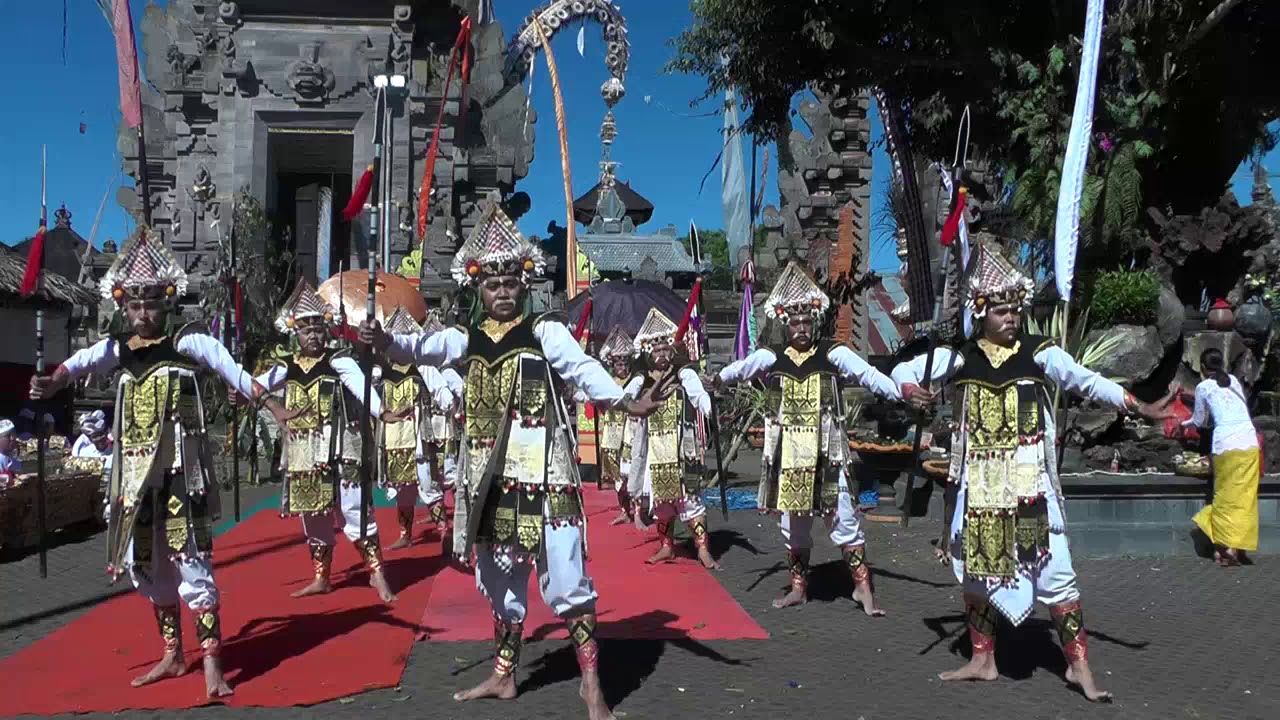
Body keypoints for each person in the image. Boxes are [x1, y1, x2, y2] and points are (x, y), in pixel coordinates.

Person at [359, 203, 669, 720]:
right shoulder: (466, 340)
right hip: (490, 477)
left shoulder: (545, 334)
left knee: (568, 580)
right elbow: (421, 348)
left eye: (509, 282)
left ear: (524, 286)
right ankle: (504, 674)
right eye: (492, 284)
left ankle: (591, 685)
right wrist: (385, 340)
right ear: (478, 289)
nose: (502, 291)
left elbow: (584, 367)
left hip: (546, 474)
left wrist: (623, 400)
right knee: (500, 581)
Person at [891, 244, 1173, 701]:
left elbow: (1084, 378)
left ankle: (1078, 666)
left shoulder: (1040, 353)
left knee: (1057, 574)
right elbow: (906, 369)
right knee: (975, 578)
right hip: (979, 489)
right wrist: (908, 386)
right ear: (981, 312)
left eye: (1015, 310)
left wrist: (1134, 403)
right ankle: (983, 659)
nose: (1010, 319)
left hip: (1030, 487)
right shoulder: (960, 358)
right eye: (1001, 311)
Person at [29, 229, 290, 697]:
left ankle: (212, 662)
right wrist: (54, 380)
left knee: (192, 562)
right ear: (124, 307)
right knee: (146, 567)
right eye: (135, 305)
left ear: (166, 303)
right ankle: (172, 653)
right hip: (134, 480)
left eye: (151, 304)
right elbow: (82, 361)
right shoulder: (118, 349)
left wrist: (269, 404)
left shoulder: (189, 343)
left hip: (178, 477)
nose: (143, 313)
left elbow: (231, 368)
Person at [712, 261, 898, 614]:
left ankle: (862, 588)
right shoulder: (773, 358)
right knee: (792, 527)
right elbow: (741, 369)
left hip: (828, 457)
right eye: (794, 321)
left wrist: (901, 391)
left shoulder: (833, 354)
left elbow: (870, 375)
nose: (800, 327)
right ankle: (799, 587)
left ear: (815, 321)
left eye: (806, 321)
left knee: (844, 520)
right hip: (789, 458)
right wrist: (717, 380)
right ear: (785, 323)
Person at [253, 279, 403, 603]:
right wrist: (265, 403)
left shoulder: (339, 361)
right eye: (306, 330)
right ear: (295, 333)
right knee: (314, 514)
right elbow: (253, 386)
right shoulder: (287, 367)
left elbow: (361, 387)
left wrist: (382, 411)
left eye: (319, 329)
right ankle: (321, 576)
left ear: (327, 331)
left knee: (355, 508)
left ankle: (377, 573)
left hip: (342, 447)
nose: (314, 336)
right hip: (305, 451)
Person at [624, 308, 718, 569]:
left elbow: (697, 393)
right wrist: (623, 400)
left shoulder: (682, 373)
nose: (662, 355)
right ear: (648, 353)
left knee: (690, 500)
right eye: (656, 351)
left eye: (665, 349)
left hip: (680, 448)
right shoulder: (643, 379)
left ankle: (702, 549)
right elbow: (629, 392)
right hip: (655, 450)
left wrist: (709, 408)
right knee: (661, 503)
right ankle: (667, 547)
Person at [1181, 347, 1260, 566]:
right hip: (1249, 443)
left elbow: (1198, 421)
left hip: (1225, 446)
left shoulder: (1203, 387)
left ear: (1203, 368)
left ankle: (1225, 549)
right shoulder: (1233, 381)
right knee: (1244, 500)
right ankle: (1236, 548)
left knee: (1224, 498)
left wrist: (1182, 424)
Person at [376, 307, 446, 550]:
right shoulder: (381, 373)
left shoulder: (422, 369)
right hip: (393, 439)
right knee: (402, 491)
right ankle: (405, 534)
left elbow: (441, 393)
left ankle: (443, 532)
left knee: (428, 485)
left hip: (418, 437)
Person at [596, 328, 638, 526]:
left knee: (630, 469)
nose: (621, 366)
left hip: (630, 427)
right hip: (612, 427)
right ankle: (624, 510)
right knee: (616, 473)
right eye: (618, 363)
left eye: (624, 362)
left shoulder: (636, 380)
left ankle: (638, 511)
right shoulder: (608, 381)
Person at [0, 419, 20, 488]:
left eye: (13, 434)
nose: (12, 438)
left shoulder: (12, 456)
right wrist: (8, 479)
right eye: (7, 436)